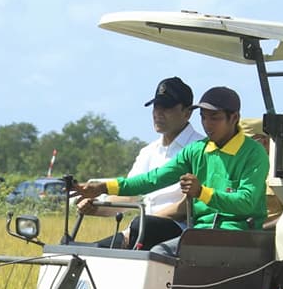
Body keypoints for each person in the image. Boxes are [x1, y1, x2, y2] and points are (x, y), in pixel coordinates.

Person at [75, 86, 268, 245]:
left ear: (234, 118)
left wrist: (201, 192)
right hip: (200, 233)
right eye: (203, 117)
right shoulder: (197, 150)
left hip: (238, 236)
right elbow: (153, 179)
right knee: (156, 253)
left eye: (214, 117)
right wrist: (104, 187)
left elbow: (246, 202)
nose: (207, 124)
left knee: (160, 254)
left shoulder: (253, 153)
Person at [80, 76, 204, 248]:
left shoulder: (201, 149)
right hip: (142, 230)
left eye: (166, 107)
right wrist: (96, 207)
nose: (158, 113)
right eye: (156, 106)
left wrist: (142, 223)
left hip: (180, 234)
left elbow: (185, 208)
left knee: (141, 228)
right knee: (79, 251)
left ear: (187, 112)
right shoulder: (148, 151)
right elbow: (129, 195)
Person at [239, 118, 283, 228]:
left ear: (264, 141)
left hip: (270, 234)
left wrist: (262, 227)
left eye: (245, 143)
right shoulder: (238, 168)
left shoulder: (281, 170)